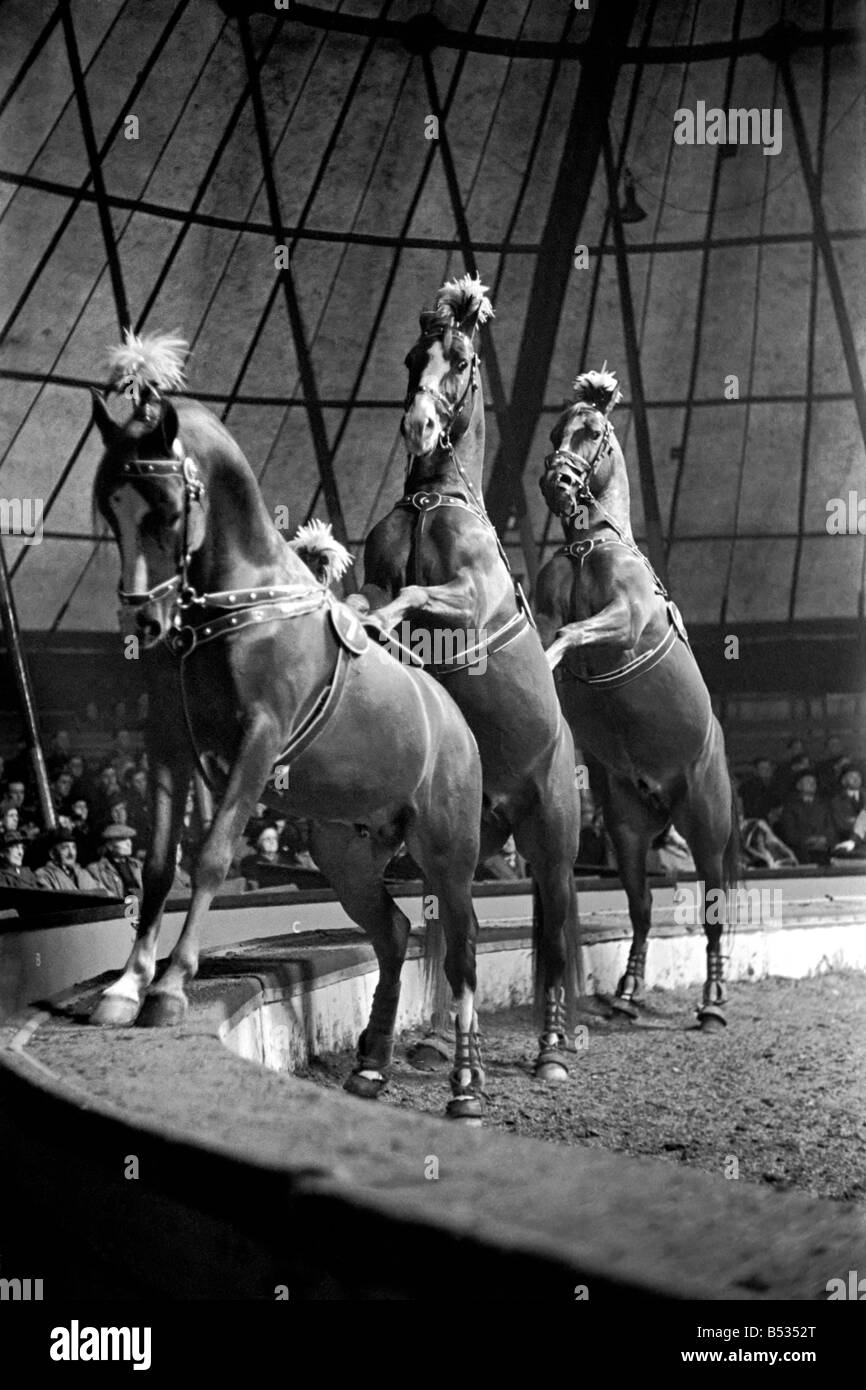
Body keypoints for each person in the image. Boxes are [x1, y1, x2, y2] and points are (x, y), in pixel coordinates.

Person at [778, 771, 836, 864]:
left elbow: (831, 827)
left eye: (814, 782)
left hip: (824, 848)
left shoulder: (824, 804)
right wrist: (808, 840)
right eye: (808, 781)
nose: (812, 784)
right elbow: (789, 832)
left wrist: (825, 839)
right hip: (801, 850)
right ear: (798, 786)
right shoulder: (790, 806)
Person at [35, 828, 106, 893]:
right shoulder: (45, 875)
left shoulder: (84, 873)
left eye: (74, 848)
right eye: (65, 848)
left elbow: (103, 894)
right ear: (53, 854)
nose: (71, 853)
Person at [86, 824, 143, 899]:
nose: (129, 843)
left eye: (129, 839)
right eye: (123, 839)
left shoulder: (137, 865)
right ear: (109, 845)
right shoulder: (96, 870)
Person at [739, 757, 781, 823]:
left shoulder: (775, 785)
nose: (767, 770)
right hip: (754, 821)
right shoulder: (747, 786)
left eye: (769, 768)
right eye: (763, 768)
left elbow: (778, 803)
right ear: (756, 771)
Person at [831, 768, 866, 842]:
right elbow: (841, 825)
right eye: (851, 776)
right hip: (847, 842)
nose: (856, 779)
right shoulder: (837, 801)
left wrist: (854, 821)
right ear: (844, 781)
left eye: (858, 776)